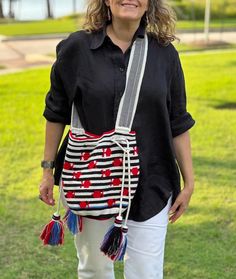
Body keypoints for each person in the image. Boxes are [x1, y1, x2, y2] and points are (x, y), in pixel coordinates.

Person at [39, 0, 195, 278]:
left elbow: (178, 120)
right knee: (94, 270)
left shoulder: (164, 55)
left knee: (146, 273)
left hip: (152, 181)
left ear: (149, 4)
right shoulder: (77, 49)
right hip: (91, 179)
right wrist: (48, 170)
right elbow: (56, 112)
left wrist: (189, 181)